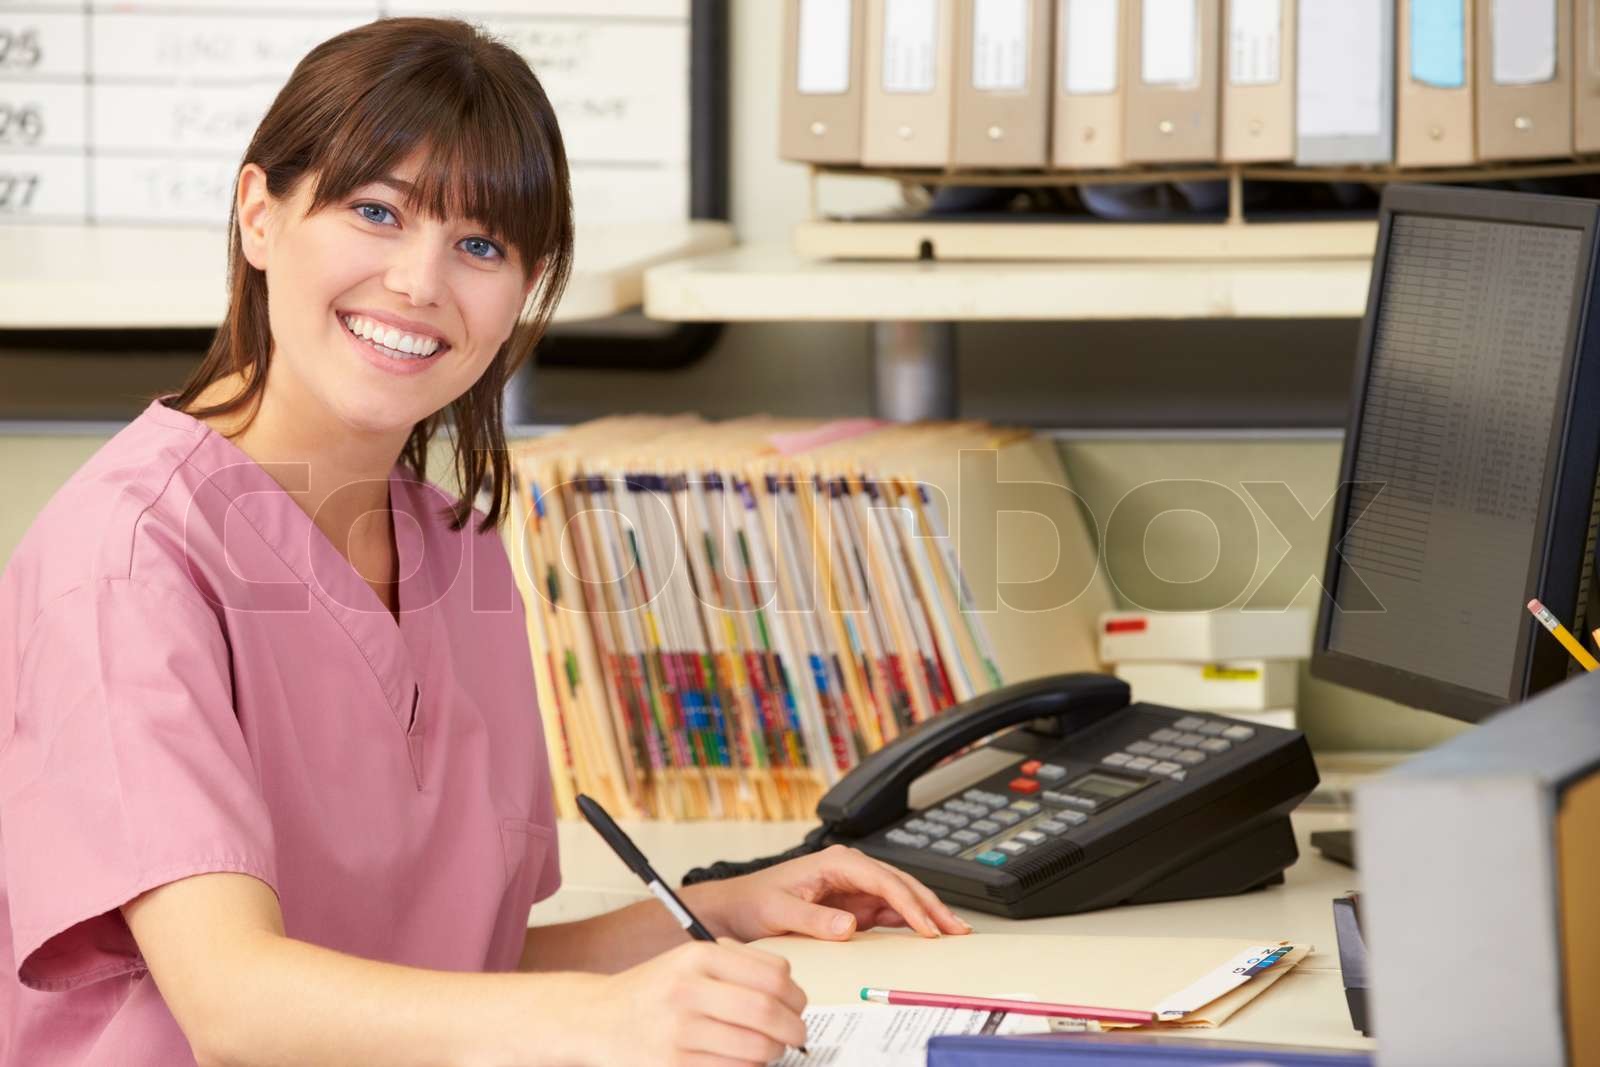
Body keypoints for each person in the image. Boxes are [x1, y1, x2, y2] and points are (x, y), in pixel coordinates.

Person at [0, 18, 968, 1066]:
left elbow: (447, 979)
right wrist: (606, 1019)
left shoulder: (454, 546)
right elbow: (236, 1003)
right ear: (258, 216)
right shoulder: (130, 560)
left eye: (480, 245)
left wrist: (710, 911)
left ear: (523, 290)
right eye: (375, 211)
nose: (420, 282)